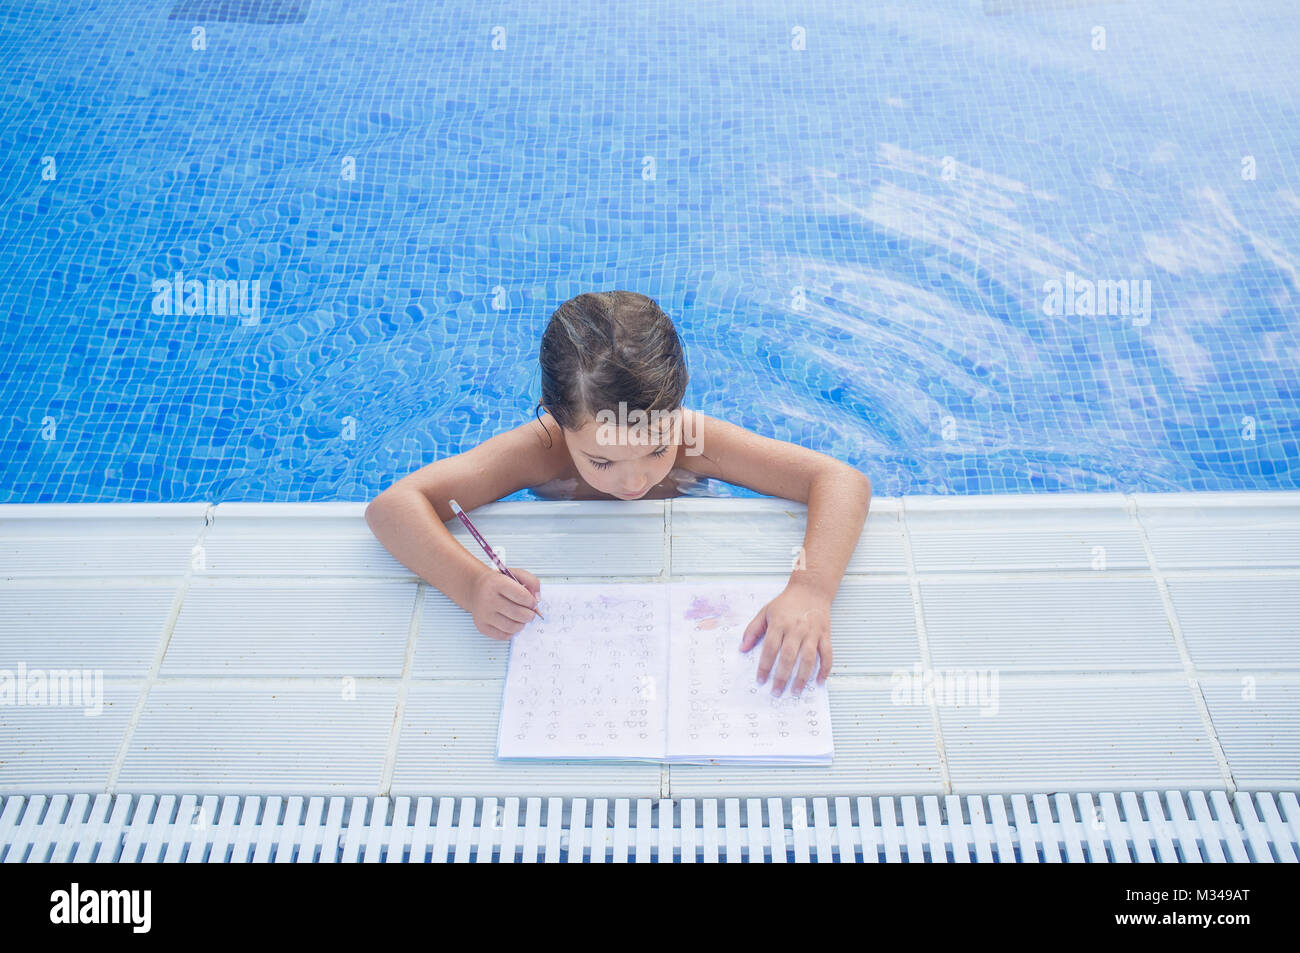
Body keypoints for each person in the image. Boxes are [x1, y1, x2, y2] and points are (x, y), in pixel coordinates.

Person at [365, 290, 872, 697]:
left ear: (679, 402)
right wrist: (472, 584)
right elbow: (392, 508)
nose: (634, 482)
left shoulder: (695, 437)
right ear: (557, 419)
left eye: (657, 450)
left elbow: (841, 481)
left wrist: (810, 590)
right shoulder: (540, 451)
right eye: (602, 462)